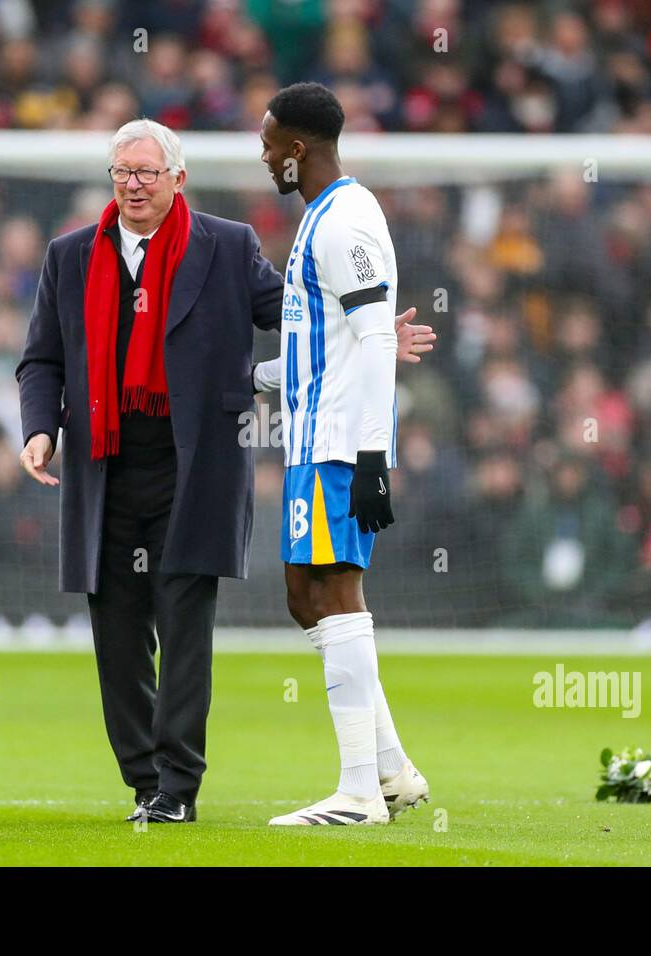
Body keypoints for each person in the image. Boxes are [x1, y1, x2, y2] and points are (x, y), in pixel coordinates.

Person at [15, 118, 433, 824]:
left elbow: (295, 315)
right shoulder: (71, 257)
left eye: (147, 173)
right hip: (104, 468)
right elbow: (42, 358)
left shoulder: (228, 246)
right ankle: (144, 778)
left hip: (195, 467)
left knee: (184, 629)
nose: (133, 185)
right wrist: (37, 429)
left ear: (178, 179)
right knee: (117, 634)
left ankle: (177, 790)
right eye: (122, 172)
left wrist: (369, 331)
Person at [253, 83, 428, 826]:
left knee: (334, 590)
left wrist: (372, 459)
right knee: (304, 597)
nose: (263, 158)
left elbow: (378, 337)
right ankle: (392, 771)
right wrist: (243, 379)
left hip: (336, 444)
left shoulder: (343, 220)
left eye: (269, 144)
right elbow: (324, 343)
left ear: (298, 148)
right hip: (311, 437)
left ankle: (359, 792)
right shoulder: (322, 219)